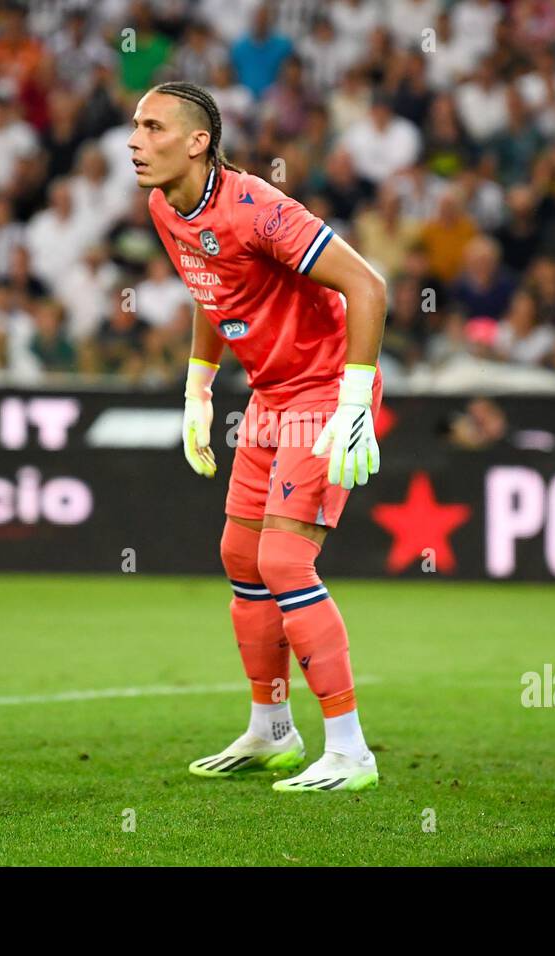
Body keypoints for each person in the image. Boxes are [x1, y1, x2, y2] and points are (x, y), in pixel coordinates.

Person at [130, 81, 387, 793]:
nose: (134, 141)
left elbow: (368, 287)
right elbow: (211, 288)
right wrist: (198, 386)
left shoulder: (259, 210)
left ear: (196, 141)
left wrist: (356, 400)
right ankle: (272, 729)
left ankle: (350, 749)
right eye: (134, 126)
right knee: (240, 555)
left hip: (326, 389)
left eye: (152, 127)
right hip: (271, 394)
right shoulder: (164, 206)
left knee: (283, 561)